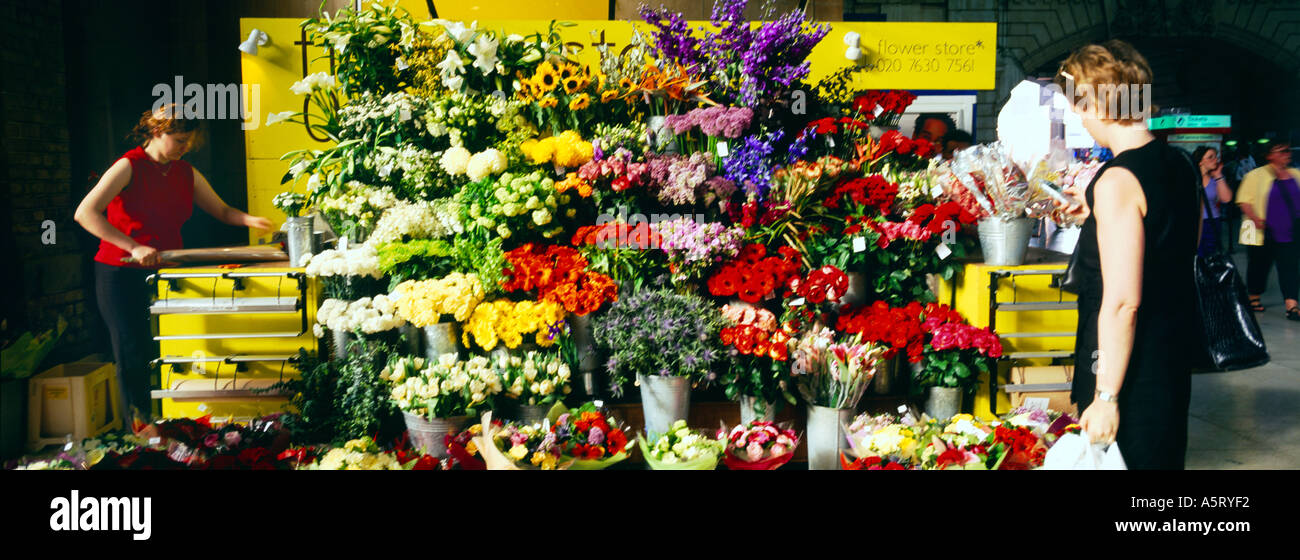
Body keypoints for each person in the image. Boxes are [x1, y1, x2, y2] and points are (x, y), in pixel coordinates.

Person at [1053, 40, 1200, 469]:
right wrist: (1096, 219)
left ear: (1099, 101)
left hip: (1126, 368)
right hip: (1170, 355)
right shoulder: (1180, 165)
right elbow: (1172, 247)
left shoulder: (1117, 179)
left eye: (1077, 103)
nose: (1077, 115)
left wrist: (1106, 397)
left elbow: (1122, 303)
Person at [74, 105, 272, 421]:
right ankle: (139, 430)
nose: (185, 148)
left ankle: (174, 422)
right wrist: (134, 246)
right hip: (119, 273)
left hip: (165, 273)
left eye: (188, 141)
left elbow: (222, 211)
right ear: (156, 132)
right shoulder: (128, 166)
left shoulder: (186, 172)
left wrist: (254, 220)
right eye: (179, 140)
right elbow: (84, 213)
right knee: (132, 351)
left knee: (170, 348)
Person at [1235, 139, 1300, 319]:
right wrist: (1255, 219)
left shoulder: (1295, 174)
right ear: (1269, 155)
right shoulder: (1255, 175)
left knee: (1290, 267)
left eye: (1287, 150)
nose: (1286, 154)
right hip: (1263, 231)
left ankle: (1291, 306)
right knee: (1259, 266)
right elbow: (1244, 201)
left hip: (1290, 231)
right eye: (1281, 151)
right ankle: (1254, 296)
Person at [1190, 146, 1233, 257]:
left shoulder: (1215, 180)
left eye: (1216, 157)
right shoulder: (1189, 179)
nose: (1216, 160)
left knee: (1211, 256)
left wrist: (1219, 175)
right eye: (1210, 157)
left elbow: (1226, 198)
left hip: (1212, 222)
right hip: (1193, 222)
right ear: (1200, 162)